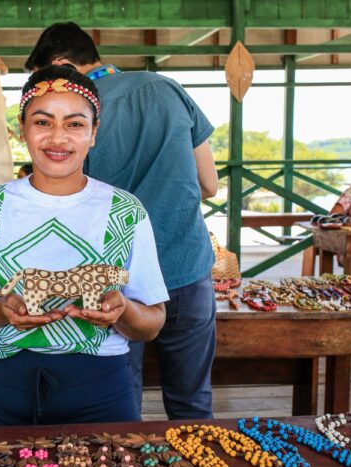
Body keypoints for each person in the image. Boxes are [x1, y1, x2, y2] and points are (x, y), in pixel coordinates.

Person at [0, 65, 167, 426]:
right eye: (43, 122)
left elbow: (153, 322)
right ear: (22, 129)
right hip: (5, 398)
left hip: (103, 398)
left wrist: (123, 309)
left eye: (75, 124)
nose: (58, 138)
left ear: (94, 133)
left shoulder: (124, 211)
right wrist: (1, 311)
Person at [25, 22, 219, 420]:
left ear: (63, 65)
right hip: (187, 266)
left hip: (114, 281)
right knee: (193, 404)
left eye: (50, 80)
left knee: (119, 404)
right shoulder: (168, 88)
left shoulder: (82, 116)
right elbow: (210, 185)